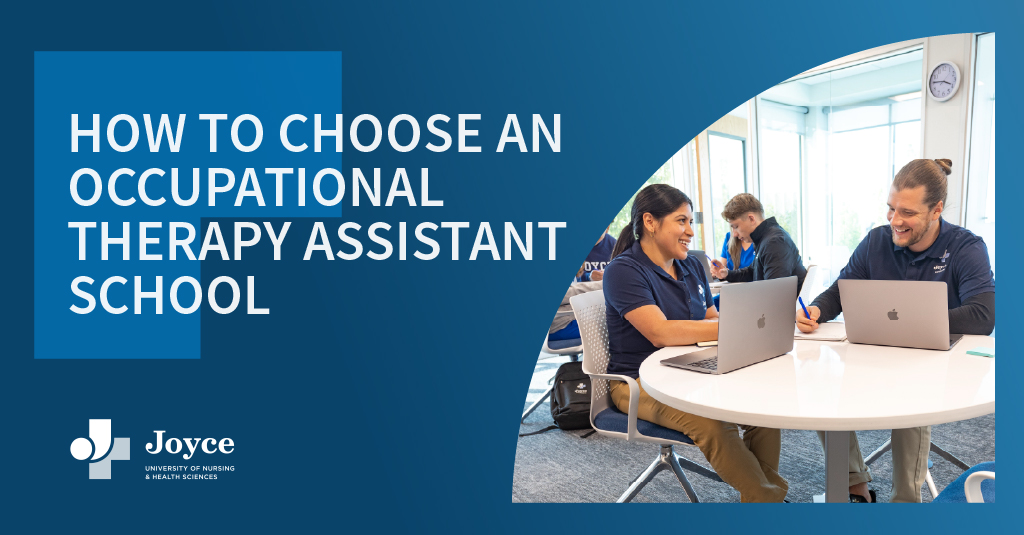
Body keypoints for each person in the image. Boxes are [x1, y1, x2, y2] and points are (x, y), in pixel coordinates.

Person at [796, 158, 996, 503]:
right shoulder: (876, 241)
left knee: (912, 399)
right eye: (891, 209)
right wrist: (817, 309)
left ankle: (905, 502)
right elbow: (841, 290)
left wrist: (915, 319)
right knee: (822, 391)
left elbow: (983, 315)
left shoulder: (966, 247)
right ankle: (855, 487)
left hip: (933, 364)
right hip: (875, 355)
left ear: (936, 210)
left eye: (908, 213)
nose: (895, 221)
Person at [603, 184, 788, 502]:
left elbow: (710, 317)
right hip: (638, 381)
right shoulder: (623, 271)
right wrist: (730, 326)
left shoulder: (690, 265)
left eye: (691, 222)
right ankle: (767, 498)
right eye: (681, 221)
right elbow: (660, 332)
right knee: (714, 424)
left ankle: (761, 498)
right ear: (650, 222)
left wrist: (744, 324)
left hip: (690, 368)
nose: (690, 231)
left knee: (764, 410)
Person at [709, 193, 807, 292]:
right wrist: (727, 274)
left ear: (751, 219)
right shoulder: (765, 238)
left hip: (780, 305)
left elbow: (773, 294)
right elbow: (752, 272)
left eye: (736, 227)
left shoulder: (774, 242)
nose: (734, 234)